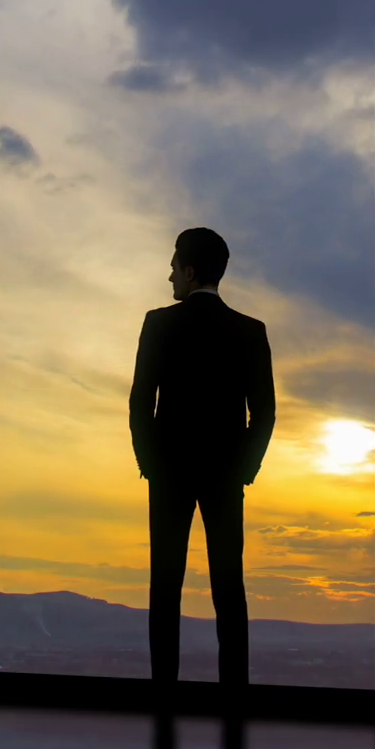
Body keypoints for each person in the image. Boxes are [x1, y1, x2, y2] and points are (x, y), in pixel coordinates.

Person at [130, 227, 275, 688]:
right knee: (229, 587)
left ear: (190, 272)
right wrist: (244, 470)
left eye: (174, 267)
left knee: (164, 586)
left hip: (169, 474)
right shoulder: (250, 331)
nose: (170, 275)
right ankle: (235, 691)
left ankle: (163, 689)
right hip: (224, 476)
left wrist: (151, 464)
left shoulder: (158, 324)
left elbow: (140, 403)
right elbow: (265, 413)